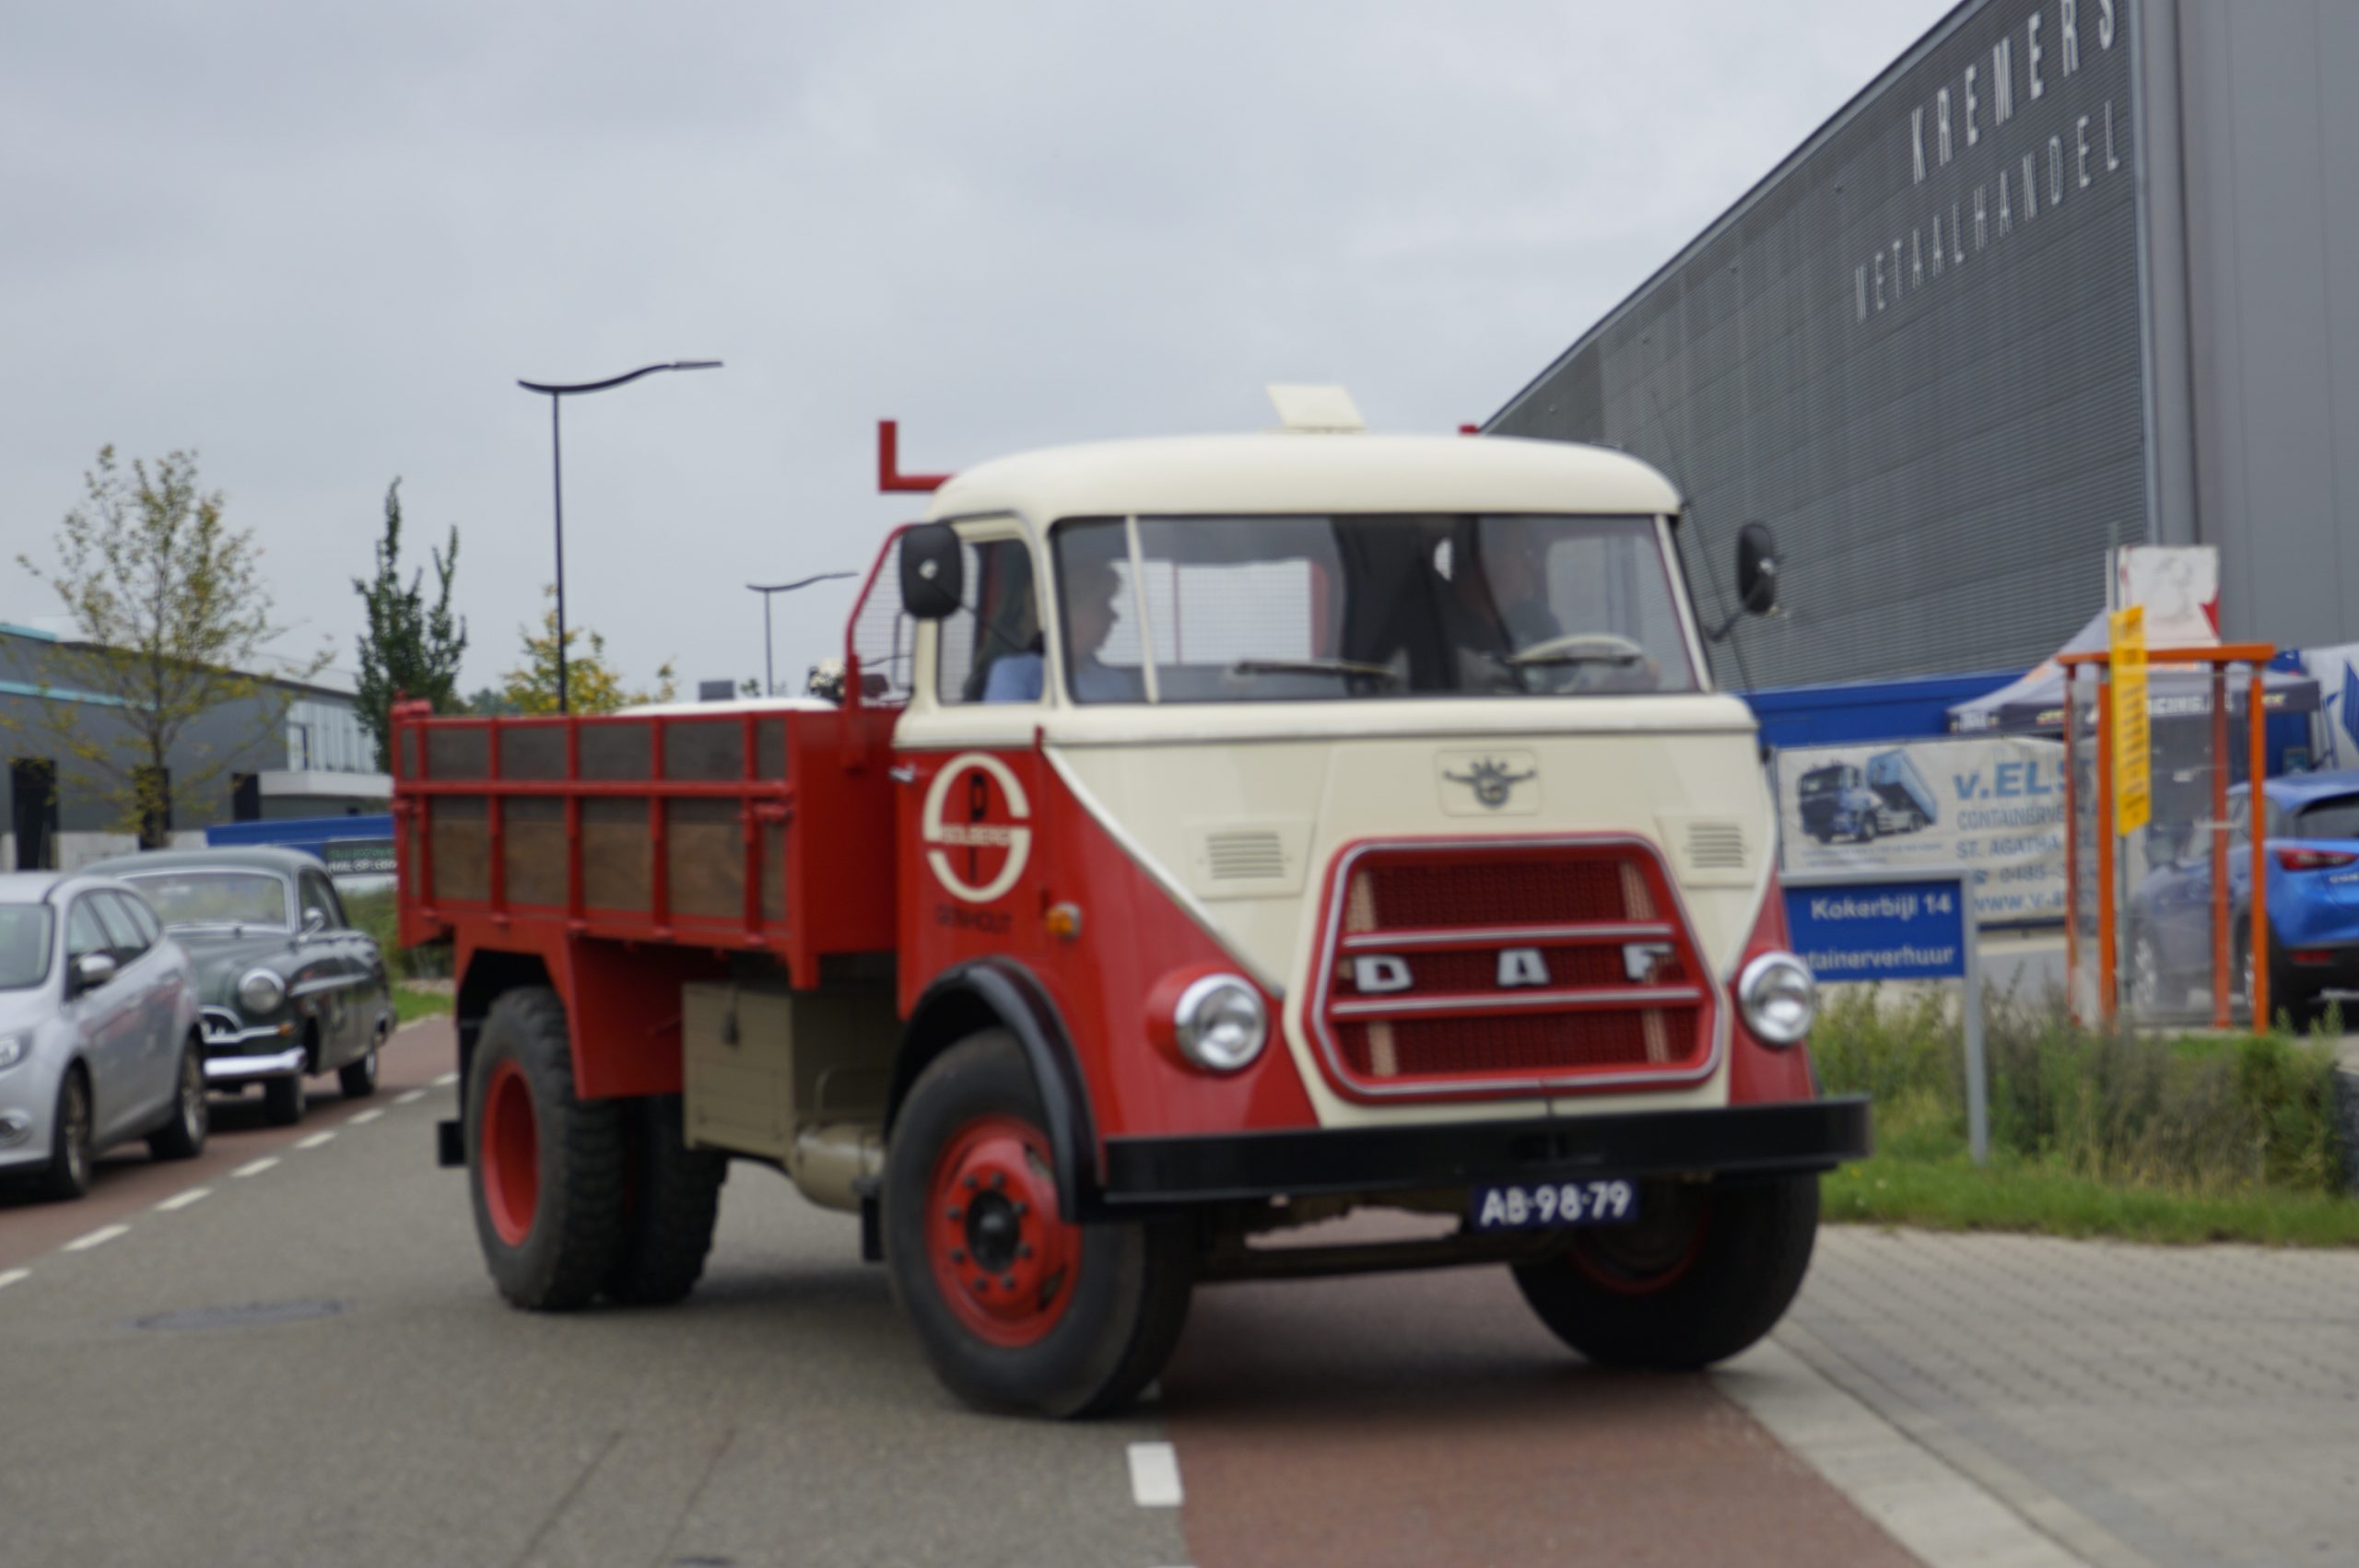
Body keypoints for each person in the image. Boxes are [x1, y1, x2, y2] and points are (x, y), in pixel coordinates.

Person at [982, 554, 1143, 702]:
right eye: (1102, 605)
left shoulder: (1116, 681)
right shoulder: (1017, 674)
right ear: (1065, 613)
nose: (1114, 616)